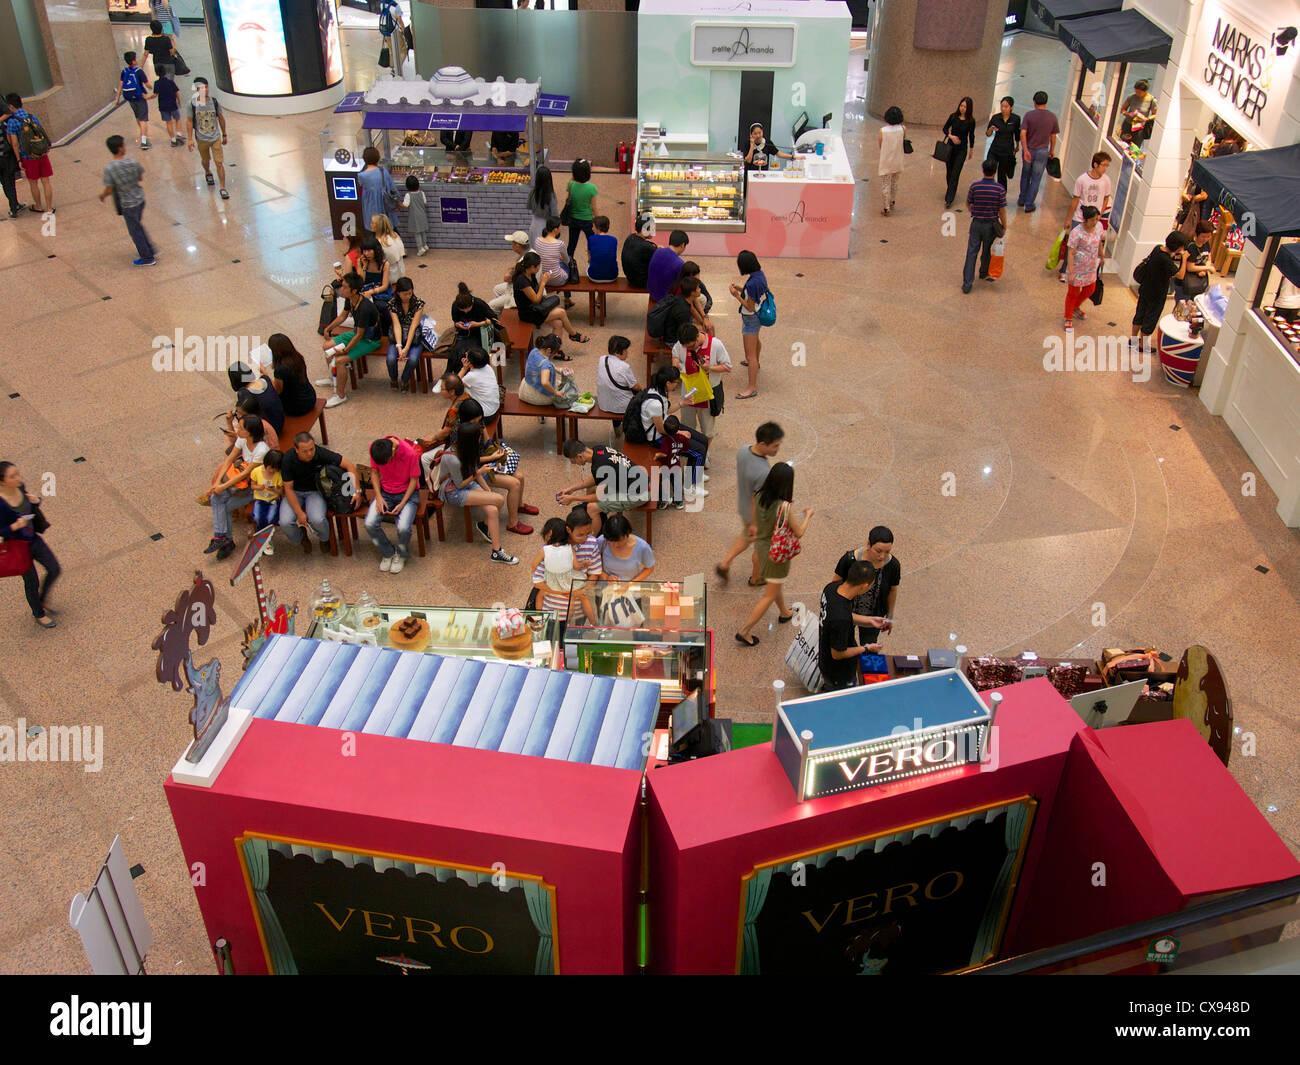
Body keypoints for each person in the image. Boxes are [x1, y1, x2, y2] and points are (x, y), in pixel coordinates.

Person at [735, 462, 812, 646]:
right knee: (769, 593)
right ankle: (744, 631)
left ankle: (784, 612)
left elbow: (754, 521)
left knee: (774, 584)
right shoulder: (783, 507)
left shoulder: (759, 495)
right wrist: (808, 515)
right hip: (776, 553)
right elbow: (799, 532)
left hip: (762, 547)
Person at [436, 423, 518, 564]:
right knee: (498, 500)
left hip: (468, 480)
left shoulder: (466, 448)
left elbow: (473, 471)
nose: (480, 438)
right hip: (454, 491)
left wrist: (487, 491)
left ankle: (496, 551)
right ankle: (492, 541)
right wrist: (480, 473)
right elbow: (460, 484)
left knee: (492, 509)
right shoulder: (453, 459)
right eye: (478, 436)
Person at [715, 421, 784, 586]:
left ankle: (725, 564)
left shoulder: (744, 450)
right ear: (762, 443)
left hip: (743, 506)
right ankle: (757, 578)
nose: (777, 450)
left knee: (745, 536)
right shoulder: (764, 472)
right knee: (761, 547)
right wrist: (755, 524)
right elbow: (757, 500)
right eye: (775, 446)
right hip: (758, 516)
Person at [0, 461, 60, 629]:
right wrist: (14, 526)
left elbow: (29, 507)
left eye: (17, 473)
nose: (18, 478)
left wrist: (35, 501)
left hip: (33, 538)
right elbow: (2, 530)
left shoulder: (20, 487)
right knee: (31, 581)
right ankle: (38, 613)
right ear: (2, 482)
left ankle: (42, 599)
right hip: (19, 546)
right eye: (12, 476)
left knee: (54, 568)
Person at [277, 432, 355, 552]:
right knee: (285, 522)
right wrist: (299, 512)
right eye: (305, 451)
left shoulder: (320, 453)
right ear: (296, 450)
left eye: (311, 449)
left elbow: (349, 465)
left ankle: (324, 539)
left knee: (317, 519)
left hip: (315, 492)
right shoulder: (288, 459)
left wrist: (357, 491)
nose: (309, 454)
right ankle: (301, 538)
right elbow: (288, 488)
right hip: (295, 492)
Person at [205, 413, 267, 560]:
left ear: (250, 432)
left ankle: (226, 540)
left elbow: (246, 473)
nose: (237, 429)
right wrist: (217, 483)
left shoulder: (262, 450)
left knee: (223, 506)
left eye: (241, 428)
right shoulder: (242, 439)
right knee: (215, 498)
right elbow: (229, 460)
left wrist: (223, 485)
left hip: (253, 487)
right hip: (239, 484)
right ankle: (222, 537)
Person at [319, 272, 383, 408]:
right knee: (326, 346)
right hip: (357, 333)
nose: (341, 290)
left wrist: (345, 351)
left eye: (344, 287)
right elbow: (343, 316)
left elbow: (360, 335)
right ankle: (332, 377)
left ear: (354, 290)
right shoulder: (350, 298)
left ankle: (340, 395)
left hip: (370, 340)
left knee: (340, 361)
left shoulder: (364, 308)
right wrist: (328, 328)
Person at [819, 562, 886, 692]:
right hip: (839, 672)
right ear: (865, 585)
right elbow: (838, 654)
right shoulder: (840, 619)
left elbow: (843, 615)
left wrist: (869, 620)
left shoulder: (831, 588)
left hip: (824, 657)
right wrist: (866, 648)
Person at [529, 509, 603, 625]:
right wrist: (564, 592)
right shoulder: (553, 548)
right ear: (568, 530)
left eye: (588, 533)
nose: (585, 539)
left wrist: (583, 590)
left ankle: (595, 624)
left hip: (578, 612)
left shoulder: (591, 544)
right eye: (580, 535)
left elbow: (594, 574)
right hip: (552, 610)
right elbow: (538, 581)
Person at [559, 438, 646, 534]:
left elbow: (598, 497)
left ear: (580, 456)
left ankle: (593, 542)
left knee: (592, 508)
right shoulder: (599, 449)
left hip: (640, 493)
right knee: (592, 488)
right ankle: (599, 517)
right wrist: (571, 489)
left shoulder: (599, 466)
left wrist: (573, 498)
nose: (575, 464)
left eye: (574, 461)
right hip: (638, 480)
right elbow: (595, 478)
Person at [832, 525, 900, 647]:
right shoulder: (849, 559)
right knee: (843, 645)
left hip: (874, 616)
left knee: (869, 649)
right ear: (868, 544)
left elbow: (892, 590)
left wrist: (890, 616)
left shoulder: (893, 565)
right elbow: (834, 586)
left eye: (887, 552)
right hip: (847, 612)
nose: (882, 556)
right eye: (878, 551)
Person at [98, 135, 157, 267]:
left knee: (135, 231)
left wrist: (103, 196)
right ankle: (149, 249)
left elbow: (109, 189)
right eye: (124, 145)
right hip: (140, 199)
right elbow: (140, 177)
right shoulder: (132, 162)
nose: (125, 147)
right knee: (138, 225)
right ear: (119, 148)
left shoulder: (110, 168)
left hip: (127, 204)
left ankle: (147, 258)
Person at [365, 436, 420, 572]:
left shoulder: (409, 454)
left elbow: (414, 481)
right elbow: (374, 472)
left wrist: (402, 504)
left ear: (394, 450)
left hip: (408, 493)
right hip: (385, 492)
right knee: (369, 523)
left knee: (403, 527)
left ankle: (402, 554)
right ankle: (388, 552)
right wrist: (378, 497)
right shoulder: (375, 448)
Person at [671, 322, 731, 442]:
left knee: (708, 430)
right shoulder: (681, 344)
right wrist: (675, 362)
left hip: (708, 394)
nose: (690, 349)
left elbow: (728, 367)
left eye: (693, 346)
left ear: (698, 336)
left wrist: (711, 368)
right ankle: (690, 450)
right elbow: (675, 355)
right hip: (688, 393)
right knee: (687, 426)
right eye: (687, 347)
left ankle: (705, 454)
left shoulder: (716, 344)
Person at [1058, 151, 1112, 282]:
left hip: (1095, 220)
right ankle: (1065, 270)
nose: (1105, 168)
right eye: (1103, 165)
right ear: (1095, 164)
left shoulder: (1106, 180)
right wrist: (1068, 219)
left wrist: (1100, 213)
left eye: (1107, 165)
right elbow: (1075, 200)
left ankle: (1083, 270)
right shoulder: (1082, 180)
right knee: (1072, 245)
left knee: (1091, 246)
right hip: (1079, 218)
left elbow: (1106, 198)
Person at [1132, 231, 1189, 350]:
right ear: (1177, 246)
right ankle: (1143, 345)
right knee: (1150, 318)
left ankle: (1133, 339)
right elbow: (1180, 275)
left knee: (1140, 313)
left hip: (1145, 287)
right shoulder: (1166, 260)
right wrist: (1184, 259)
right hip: (1157, 293)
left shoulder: (1158, 249)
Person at [512, 252, 587, 342]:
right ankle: (574, 334)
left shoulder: (530, 274)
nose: (539, 267)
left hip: (535, 308)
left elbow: (535, 290)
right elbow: (536, 299)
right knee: (562, 312)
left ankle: (556, 352)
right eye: (538, 266)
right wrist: (543, 283)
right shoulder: (522, 281)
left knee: (558, 324)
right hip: (528, 313)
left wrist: (543, 281)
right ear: (532, 267)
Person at [963, 159, 1007, 294]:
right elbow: (1002, 210)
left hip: (976, 223)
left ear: (983, 170)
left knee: (972, 252)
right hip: (991, 225)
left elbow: (968, 203)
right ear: (995, 171)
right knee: (986, 250)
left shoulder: (975, 186)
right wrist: (1004, 225)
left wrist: (974, 211)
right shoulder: (999, 189)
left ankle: (967, 283)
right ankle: (983, 272)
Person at [5, 94, 53, 215]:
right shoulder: (32, 117)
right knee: (46, 181)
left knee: (33, 182)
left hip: (28, 157)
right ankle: (49, 208)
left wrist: (18, 159)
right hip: (41, 153)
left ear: (11, 106)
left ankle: (38, 206)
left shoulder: (12, 121)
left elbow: (14, 143)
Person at [731, 250, 767, 399]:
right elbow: (752, 294)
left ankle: (751, 388)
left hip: (751, 319)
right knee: (756, 341)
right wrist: (740, 288)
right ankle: (755, 363)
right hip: (757, 317)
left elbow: (749, 306)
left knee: (750, 355)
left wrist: (736, 295)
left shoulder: (752, 283)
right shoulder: (759, 275)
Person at [1063, 206, 1105, 332]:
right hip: (1077, 269)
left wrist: (1102, 256)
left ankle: (1075, 307)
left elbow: (1099, 242)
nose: (1095, 222)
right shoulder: (1077, 233)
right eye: (1092, 220)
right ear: (1085, 219)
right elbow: (1070, 252)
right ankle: (1068, 317)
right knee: (1073, 293)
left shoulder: (1098, 227)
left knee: (1090, 289)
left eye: (1097, 219)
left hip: (1091, 267)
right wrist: (1071, 272)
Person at [187, 78, 229, 200]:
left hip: (215, 137)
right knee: (205, 160)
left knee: (219, 162)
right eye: (201, 87)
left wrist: (224, 134)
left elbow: (221, 118)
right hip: (201, 139)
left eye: (206, 86)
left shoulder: (214, 102)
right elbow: (189, 122)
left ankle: (222, 187)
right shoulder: (192, 104)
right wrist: (189, 139)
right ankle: (207, 171)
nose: (205, 90)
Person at [1017, 91, 1059, 213]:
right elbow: (1053, 136)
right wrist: (1052, 150)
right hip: (1042, 151)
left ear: (1034, 101)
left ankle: (1022, 199)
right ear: (1046, 102)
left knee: (1025, 174)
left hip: (1029, 149)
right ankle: (1029, 205)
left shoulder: (1029, 115)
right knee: (1036, 178)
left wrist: (1025, 149)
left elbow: (1023, 133)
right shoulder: (1052, 117)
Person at [227, 361, 285, 441]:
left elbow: (246, 416)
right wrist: (264, 371)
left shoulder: (244, 393)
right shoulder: (265, 379)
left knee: (236, 426)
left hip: (268, 432)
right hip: (280, 422)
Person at [449, 281, 499, 372]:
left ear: (472, 302)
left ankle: (466, 374)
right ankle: (457, 375)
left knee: (467, 352)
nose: (465, 312)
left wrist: (478, 324)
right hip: (463, 334)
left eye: (467, 309)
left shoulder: (479, 304)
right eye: (462, 310)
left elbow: (494, 319)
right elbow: (455, 320)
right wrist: (458, 324)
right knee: (455, 353)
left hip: (480, 334)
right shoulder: (455, 305)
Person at [388, 277, 426, 392]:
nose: (408, 296)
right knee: (390, 359)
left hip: (414, 337)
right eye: (405, 294)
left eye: (410, 293)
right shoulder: (392, 304)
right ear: (398, 293)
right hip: (397, 336)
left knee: (413, 359)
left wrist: (407, 347)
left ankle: (405, 379)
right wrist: (399, 346)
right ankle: (393, 379)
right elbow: (396, 325)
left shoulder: (418, 303)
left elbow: (414, 326)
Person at [266, 334, 317, 418]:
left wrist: (265, 375)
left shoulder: (280, 369)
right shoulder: (298, 357)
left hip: (297, 407)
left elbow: (277, 391)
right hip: (310, 396)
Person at [597, 513, 655, 583]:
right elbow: (592, 563)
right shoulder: (602, 541)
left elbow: (649, 567)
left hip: (630, 588)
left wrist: (631, 583)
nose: (615, 545)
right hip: (606, 587)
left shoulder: (643, 547)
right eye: (611, 541)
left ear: (627, 533)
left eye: (619, 541)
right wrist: (606, 577)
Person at [941, 96, 976, 209]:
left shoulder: (971, 121)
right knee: (949, 172)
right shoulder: (953, 117)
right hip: (951, 148)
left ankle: (949, 199)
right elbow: (945, 129)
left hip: (961, 150)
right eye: (961, 105)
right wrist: (951, 136)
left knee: (955, 173)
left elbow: (971, 135)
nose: (962, 108)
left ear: (969, 108)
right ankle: (951, 189)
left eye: (965, 107)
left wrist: (971, 149)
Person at [520, 334, 571, 407]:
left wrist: (560, 369)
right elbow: (545, 383)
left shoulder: (534, 351)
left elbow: (542, 366)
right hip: (537, 397)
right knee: (566, 390)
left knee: (558, 384)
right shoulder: (546, 365)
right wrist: (555, 392)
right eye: (555, 352)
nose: (556, 354)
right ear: (549, 350)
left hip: (524, 389)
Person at [115, 52, 152, 150]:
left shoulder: (124, 71)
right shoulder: (139, 71)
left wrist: (117, 99)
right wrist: (152, 88)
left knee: (138, 116)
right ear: (133, 61)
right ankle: (144, 141)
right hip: (140, 97)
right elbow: (147, 84)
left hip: (130, 98)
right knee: (143, 118)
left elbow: (120, 86)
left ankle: (143, 134)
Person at [356, 145, 397, 233]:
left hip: (371, 208)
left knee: (373, 230)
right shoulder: (383, 171)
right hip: (385, 206)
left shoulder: (362, 176)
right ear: (378, 158)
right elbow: (393, 188)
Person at [1172, 221, 1215, 303]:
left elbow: (1208, 258)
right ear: (1196, 234)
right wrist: (1208, 268)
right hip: (1185, 285)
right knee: (1182, 309)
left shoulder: (1206, 244)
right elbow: (1190, 267)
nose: (1205, 239)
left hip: (1198, 283)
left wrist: (1204, 270)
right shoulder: (1191, 246)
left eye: (1208, 236)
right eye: (1203, 236)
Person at [596, 335, 640, 416]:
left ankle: (617, 427)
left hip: (603, 404)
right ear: (617, 352)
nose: (627, 353)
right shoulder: (624, 367)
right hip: (622, 407)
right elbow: (635, 387)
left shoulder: (602, 359)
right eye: (626, 350)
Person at [488, 231, 530, 314]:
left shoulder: (523, 261)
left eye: (512, 243)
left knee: (491, 306)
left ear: (517, 245)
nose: (512, 246)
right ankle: (505, 310)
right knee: (497, 289)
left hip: (519, 292)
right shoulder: (529, 253)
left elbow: (507, 278)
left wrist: (508, 270)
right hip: (522, 286)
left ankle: (499, 322)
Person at [249, 449, 283, 551]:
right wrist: (261, 487)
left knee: (270, 518)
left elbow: (281, 491)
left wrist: (274, 489)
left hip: (273, 500)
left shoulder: (278, 475)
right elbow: (253, 486)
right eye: (271, 468)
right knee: (258, 517)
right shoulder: (256, 472)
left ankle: (262, 539)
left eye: (275, 469)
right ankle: (264, 539)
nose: (272, 471)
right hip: (260, 499)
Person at [565, 157, 598, 260]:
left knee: (572, 244)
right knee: (592, 243)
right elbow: (594, 207)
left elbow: (568, 198)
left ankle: (569, 264)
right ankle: (590, 261)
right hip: (587, 220)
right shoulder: (592, 188)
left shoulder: (570, 184)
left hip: (573, 219)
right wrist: (597, 221)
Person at [984, 96, 1020, 190]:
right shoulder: (996, 118)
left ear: (1011, 107)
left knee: (1002, 175)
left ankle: (1001, 195)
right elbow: (987, 134)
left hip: (1007, 151)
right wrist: (991, 129)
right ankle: (988, 191)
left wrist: (1017, 145)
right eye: (1002, 106)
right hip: (995, 149)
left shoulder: (1015, 119)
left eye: (1006, 106)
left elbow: (1017, 134)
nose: (1003, 108)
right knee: (989, 170)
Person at [877, 106, 905, 216]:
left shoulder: (883, 131)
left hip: (886, 161)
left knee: (885, 184)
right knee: (895, 182)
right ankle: (892, 201)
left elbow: (880, 145)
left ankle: (886, 208)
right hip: (898, 160)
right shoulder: (903, 129)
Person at [460, 346, 501, 420]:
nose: (465, 354)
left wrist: (464, 369)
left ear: (470, 363)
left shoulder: (471, 376)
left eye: (467, 355)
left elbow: (455, 384)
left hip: (484, 415)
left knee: (459, 395)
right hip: (494, 408)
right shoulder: (488, 367)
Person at [647, 230, 688, 303]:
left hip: (652, 291)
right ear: (682, 245)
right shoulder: (679, 263)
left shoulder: (658, 251)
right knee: (701, 298)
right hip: (664, 298)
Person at [534, 215, 573, 287]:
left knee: (556, 261)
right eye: (560, 227)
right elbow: (567, 261)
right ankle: (567, 295)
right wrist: (560, 258)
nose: (561, 229)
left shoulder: (537, 240)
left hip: (542, 277)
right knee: (568, 261)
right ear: (555, 229)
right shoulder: (560, 244)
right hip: (556, 279)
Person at [621, 213, 657, 288]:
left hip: (630, 278)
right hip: (641, 282)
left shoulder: (631, 237)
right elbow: (658, 259)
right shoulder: (646, 247)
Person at [357, 236, 392, 310]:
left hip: (379, 291)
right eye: (364, 251)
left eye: (369, 251)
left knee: (381, 306)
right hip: (365, 290)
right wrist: (364, 267)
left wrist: (371, 292)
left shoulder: (385, 264)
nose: (366, 254)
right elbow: (360, 282)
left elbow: (385, 285)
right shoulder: (360, 261)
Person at [0, 100, 22, 218]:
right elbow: (8, 112)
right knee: (8, 180)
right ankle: (14, 208)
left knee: (5, 182)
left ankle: (14, 206)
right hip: (5, 154)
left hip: (4, 153)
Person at [1119, 79, 1157, 147]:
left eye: (1139, 92)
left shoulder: (1152, 101)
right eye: (1136, 91)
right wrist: (1128, 114)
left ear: (1145, 91)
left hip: (1139, 128)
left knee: (1134, 147)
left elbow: (1155, 114)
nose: (1137, 94)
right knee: (1123, 145)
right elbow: (1123, 110)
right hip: (1128, 124)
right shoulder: (1132, 97)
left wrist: (1146, 119)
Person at [371, 213, 406, 282]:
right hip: (401, 271)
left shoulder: (379, 242)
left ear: (377, 226)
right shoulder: (395, 236)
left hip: (389, 275)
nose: (370, 225)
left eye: (372, 223)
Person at [527, 165, 558, 244]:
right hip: (546, 225)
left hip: (534, 223)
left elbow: (529, 206)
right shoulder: (550, 195)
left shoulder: (532, 192)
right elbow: (555, 214)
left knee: (534, 247)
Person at [154, 66, 183, 148]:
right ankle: (179, 134)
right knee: (177, 119)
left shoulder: (156, 83)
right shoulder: (170, 82)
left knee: (168, 122)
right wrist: (179, 101)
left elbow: (155, 94)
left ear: (156, 73)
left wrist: (148, 97)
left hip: (163, 106)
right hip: (172, 104)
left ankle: (173, 140)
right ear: (165, 72)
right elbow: (176, 92)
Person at [401, 175, 429, 256]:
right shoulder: (422, 193)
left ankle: (420, 248)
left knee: (417, 233)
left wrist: (399, 204)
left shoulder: (408, 195)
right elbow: (425, 202)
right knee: (423, 231)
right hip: (422, 215)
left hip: (414, 217)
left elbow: (406, 205)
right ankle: (425, 245)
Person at [587, 215, 619, 283]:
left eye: (593, 226)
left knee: (589, 266)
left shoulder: (591, 239)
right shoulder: (614, 240)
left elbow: (589, 259)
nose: (592, 228)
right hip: (612, 276)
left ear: (598, 228)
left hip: (594, 277)